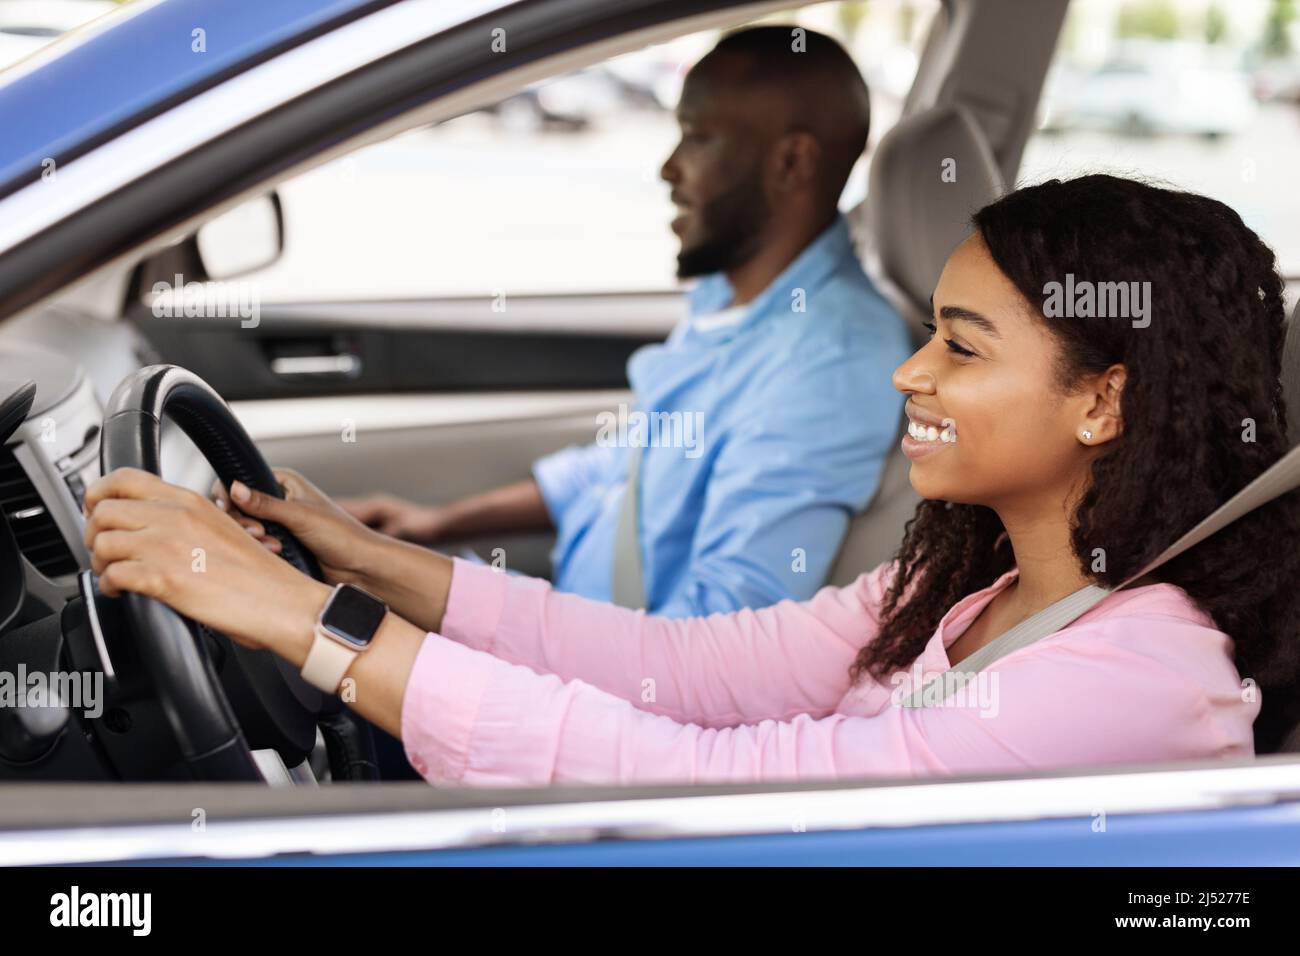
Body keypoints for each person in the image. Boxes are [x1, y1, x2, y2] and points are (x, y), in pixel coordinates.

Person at [84, 175, 1300, 785]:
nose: (906, 374)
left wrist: (309, 622)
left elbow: (725, 790)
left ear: (1101, 398)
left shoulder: (1135, 681)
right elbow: (693, 670)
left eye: (960, 346)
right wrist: (369, 564)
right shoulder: (979, 586)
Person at [342, 26, 912, 616]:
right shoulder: (732, 295)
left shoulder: (833, 360)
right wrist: (436, 523)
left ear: (792, 161)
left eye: (697, 137)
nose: (669, 168)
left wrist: (459, 627)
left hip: (594, 688)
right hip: (569, 638)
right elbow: (627, 462)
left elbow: (715, 645)